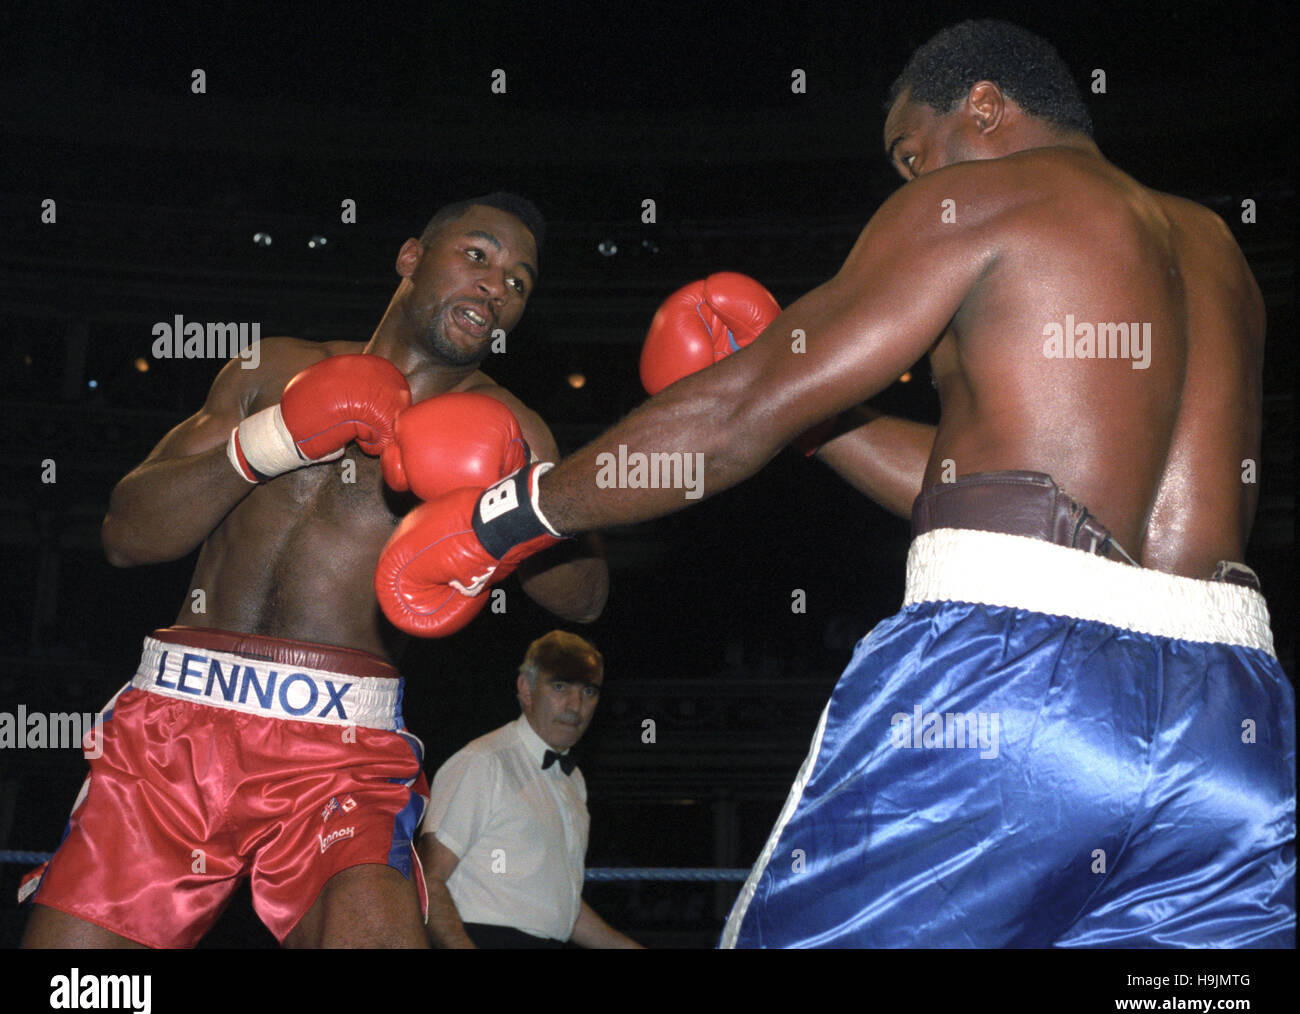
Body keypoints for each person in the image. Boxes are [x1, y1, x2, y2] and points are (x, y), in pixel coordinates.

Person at [375, 22, 1295, 948]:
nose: (912, 181)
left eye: (912, 151)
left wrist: (507, 518)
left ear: (983, 105)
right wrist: (816, 430)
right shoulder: (1217, 250)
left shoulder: (980, 199)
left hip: (1011, 692)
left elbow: (739, 416)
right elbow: (987, 487)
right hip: (1231, 721)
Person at [20, 192, 609, 949]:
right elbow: (126, 533)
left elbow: (586, 596)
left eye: (519, 282)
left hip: (340, 755)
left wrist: (506, 515)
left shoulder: (514, 429)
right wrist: (270, 441)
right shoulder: (272, 368)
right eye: (478, 255)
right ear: (410, 258)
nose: (497, 286)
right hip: (173, 725)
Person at [418, 630, 641, 948]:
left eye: (588, 691)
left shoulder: (572, 780)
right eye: (560, 687)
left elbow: (558, 910)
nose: (575, 706)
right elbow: (430, 878)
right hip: (483, 938)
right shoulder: (483, 763)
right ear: (526, 689)